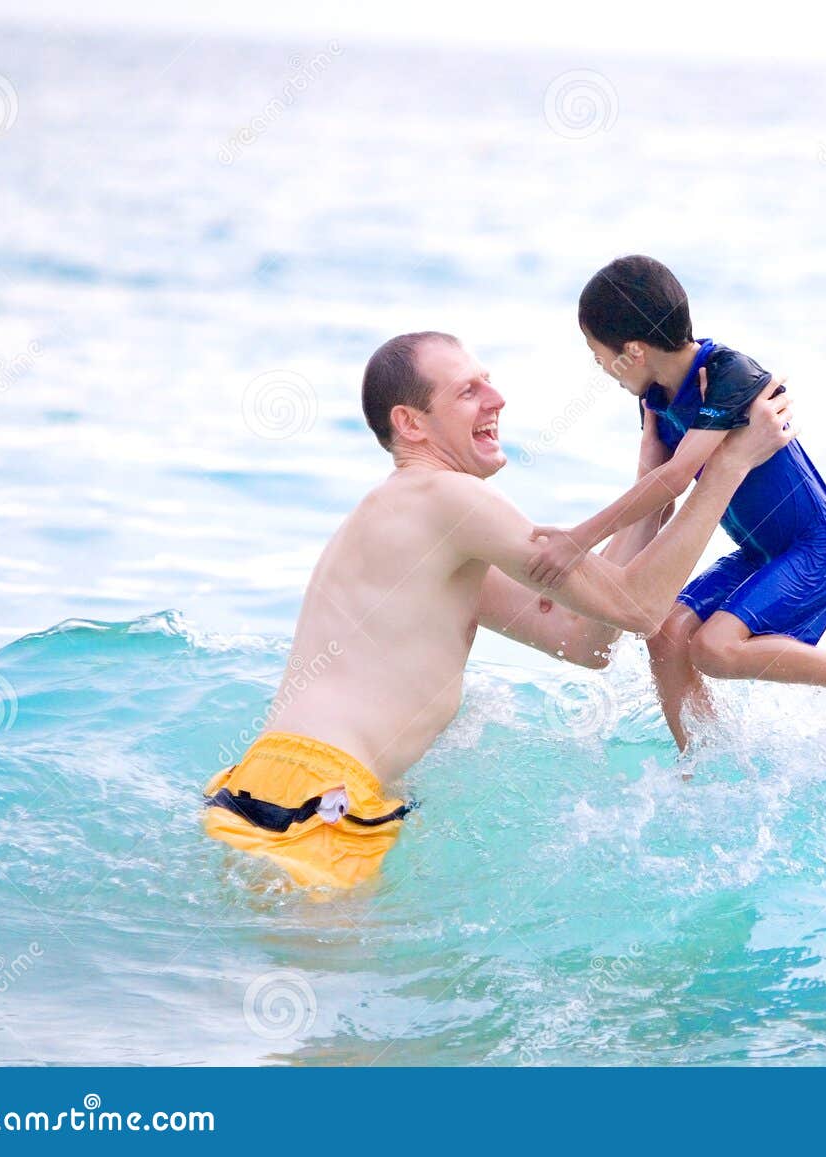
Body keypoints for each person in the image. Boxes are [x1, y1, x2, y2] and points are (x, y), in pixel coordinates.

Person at [202, 330, 794, 888]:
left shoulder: (421, 524)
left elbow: (586, 640)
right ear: (410, 423)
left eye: (487, 381)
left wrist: (650, 480)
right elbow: (640, 610)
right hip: (321, 801)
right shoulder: (449, 499)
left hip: (280, 787)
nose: (498, 398)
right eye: (468, 390)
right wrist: (728, 469)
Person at [527, 255, 826, 750]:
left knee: (714, 649)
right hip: (762, 554)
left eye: (596, 353)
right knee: (666, 634)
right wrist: (584, 578)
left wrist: (578, 541)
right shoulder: (655, 398)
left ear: (631, 351)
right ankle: (703, 763)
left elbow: (674, 480)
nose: (599, 367)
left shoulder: (728, 374)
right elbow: (656, 504)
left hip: (816, 548)